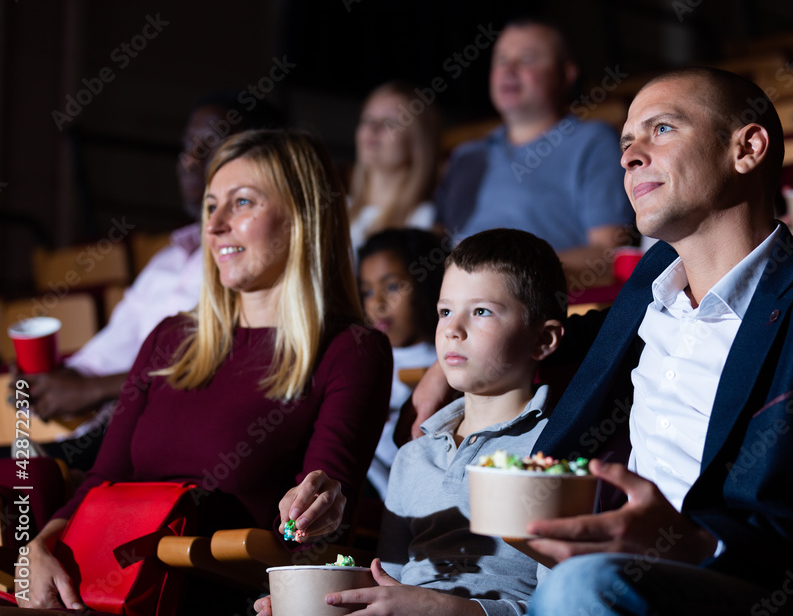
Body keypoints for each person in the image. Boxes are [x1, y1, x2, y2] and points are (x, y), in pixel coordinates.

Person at [415, 68, 793, 614]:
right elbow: (574, 336)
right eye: (626, 143)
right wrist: (447, 358)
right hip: (597, 572)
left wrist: (700, 542)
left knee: (578, 588)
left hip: (748, 582)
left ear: (747, 149)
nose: (631, 156)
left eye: (660, 130)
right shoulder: (650, 289)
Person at [19, 130, 392, 613]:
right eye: (210, 206)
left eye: (241, 203)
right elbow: (103, 479)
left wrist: (309, 513)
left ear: (302, 217)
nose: (213, 225)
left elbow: (318, 528)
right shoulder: (169, 338)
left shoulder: (352, 349)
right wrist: (44, 544)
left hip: (227, 594)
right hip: (112, 590)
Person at [256, 227, 567, 616]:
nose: (453, 329)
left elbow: (564, 603)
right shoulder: (414, 455)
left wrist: (442, 608)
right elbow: (391, 581)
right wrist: (326, 602)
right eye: (445, 311)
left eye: (482, 311)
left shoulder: (558, 448)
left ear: (543, 340)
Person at [13, 94, 283, 469]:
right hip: (98, 431)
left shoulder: (251, 263)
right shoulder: (168, 259)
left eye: (211, 144)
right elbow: (111, 348)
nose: (190, 159)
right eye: (187, 146)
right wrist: (53, 382)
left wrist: (89, 390)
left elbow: (224, 366)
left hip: (165, 442)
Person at [434, 19, 635, 280]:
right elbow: (436, 245)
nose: (509, 70)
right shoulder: (467, 156)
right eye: (501, 59)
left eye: (527, 59)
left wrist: (501, 272)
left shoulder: (593, 141)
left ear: (566, 75)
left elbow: (610, 253)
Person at [358, 228, 447, 499]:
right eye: (367, 291)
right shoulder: (359, 356)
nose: (378, 303)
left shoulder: (445, 358)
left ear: (429, 286)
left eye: (393, 287)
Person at [349, 81, 441, 251]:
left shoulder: (423, 220)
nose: (373, 128)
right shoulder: (339, 210)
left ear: (417, 143)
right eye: (367, 119)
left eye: (389, 122)